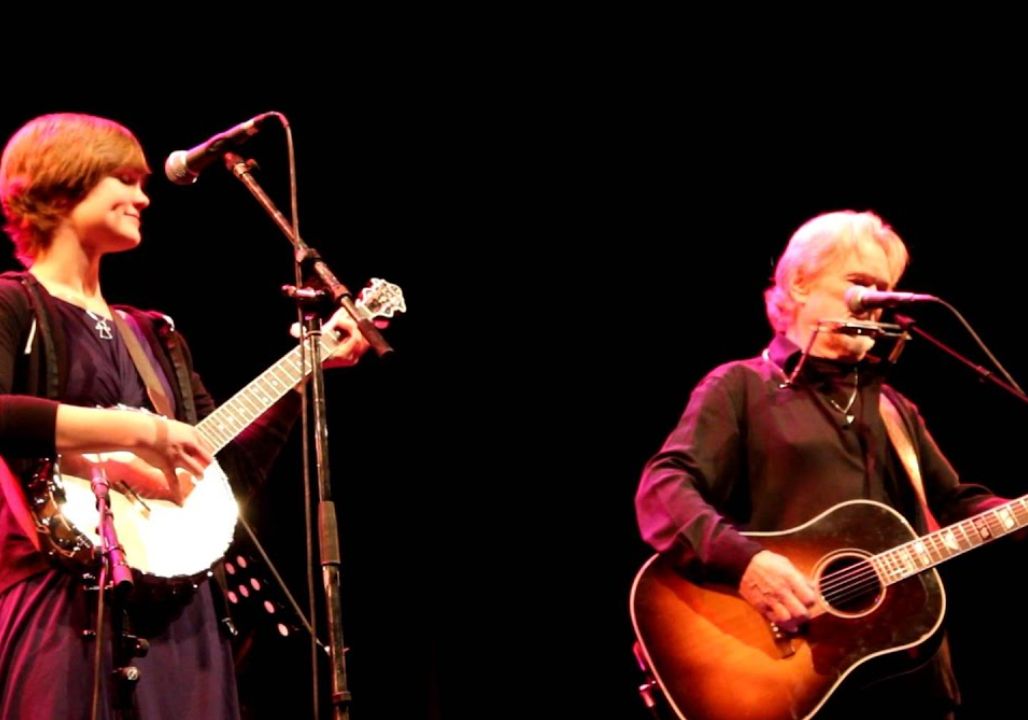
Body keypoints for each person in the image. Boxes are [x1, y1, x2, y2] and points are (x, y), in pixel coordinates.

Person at [0, 113, 371, 719]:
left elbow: (225, 474)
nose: (143, 198)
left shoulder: (155, 334)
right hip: (60, 602)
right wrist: (142, 430)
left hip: (183, 618)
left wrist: (306, 373)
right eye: (124, 179)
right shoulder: (14, 305)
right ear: (64, 183)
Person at [635, 210, 1009, 719]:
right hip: (789, 676)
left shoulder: (893, 408)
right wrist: (744, 562)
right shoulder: (741, 387)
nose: (877, 302)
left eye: (885, 291)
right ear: (800, 284)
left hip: (912, 679)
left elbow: (954, 502)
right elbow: (663, 487)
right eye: (861, 285)